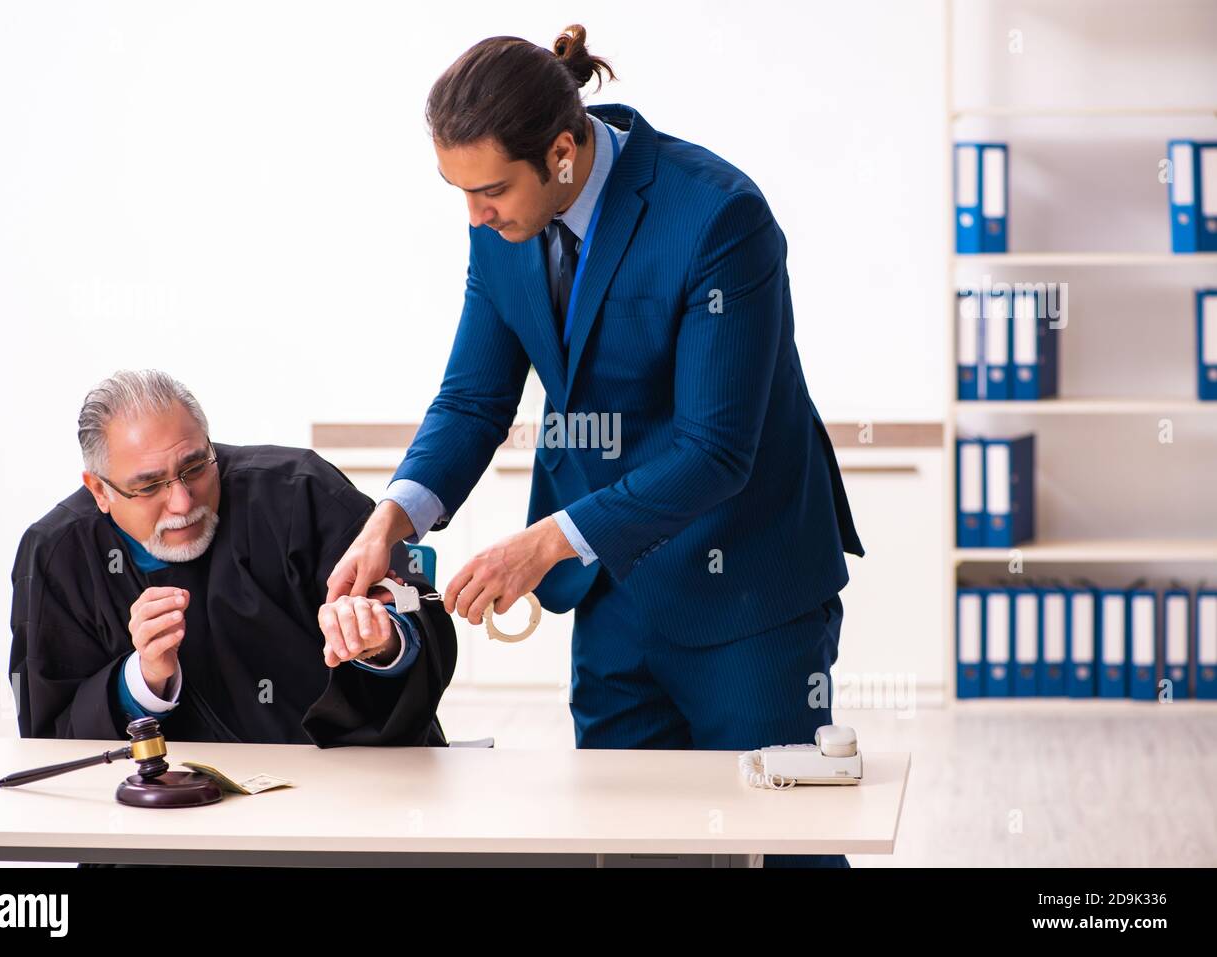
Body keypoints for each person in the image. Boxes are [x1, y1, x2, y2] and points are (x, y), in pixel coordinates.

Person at [325, 26, 865, 867]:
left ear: (565, 152)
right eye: (458, 191)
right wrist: (390, 520)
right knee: (631, 845)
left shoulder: (719, 216)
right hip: (616, 588)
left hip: (750, 591)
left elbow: (717, 449)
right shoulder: (498, 222)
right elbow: (474, 398)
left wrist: (543, 543)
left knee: (786, 848)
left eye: (492, 189)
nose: (474, 214)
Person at [10, 369, 455, 748]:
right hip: (166, 831)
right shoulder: (56, 555)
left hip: (347, 796)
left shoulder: (299, 492)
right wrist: (142, 681)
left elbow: (415, 603)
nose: (183, 503)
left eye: (195, 467)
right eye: (148, 487)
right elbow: (50, 738)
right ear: (100, 490)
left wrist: (385, 640)